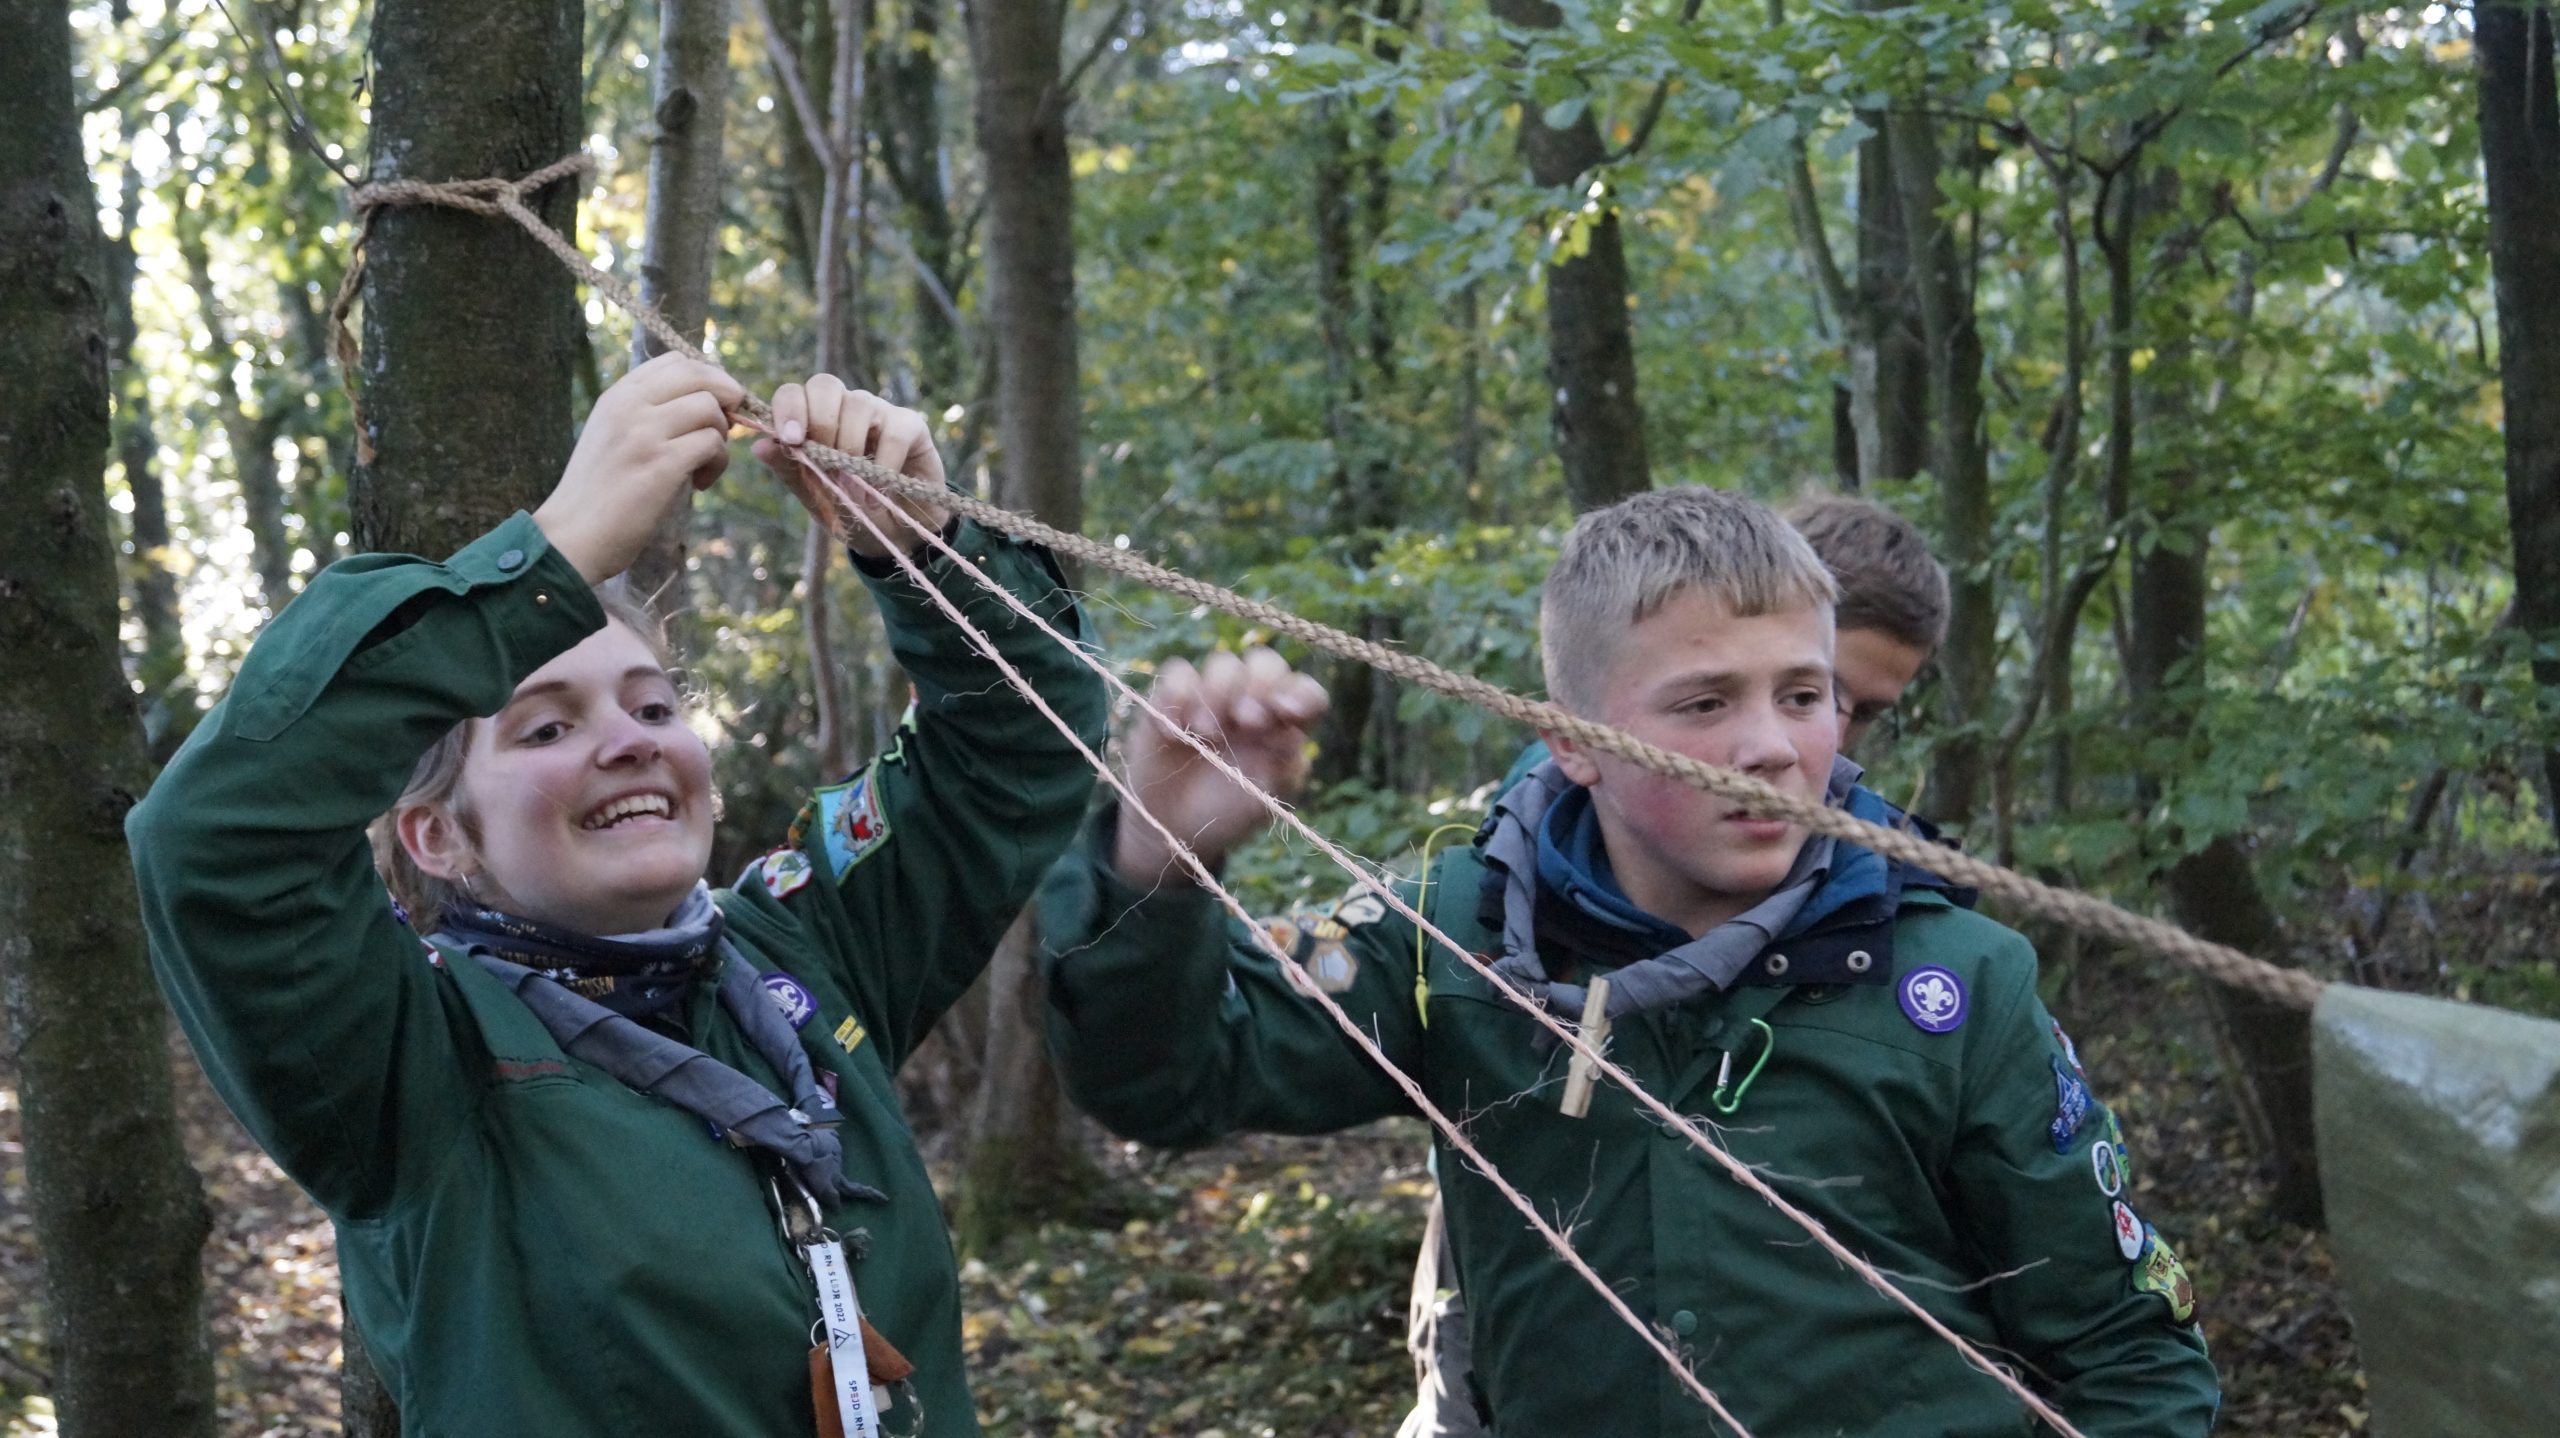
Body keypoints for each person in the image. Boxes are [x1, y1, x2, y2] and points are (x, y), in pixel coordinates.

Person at [1038, 487, 2218, 1435]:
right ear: (1573, 740)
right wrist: (1154, 874)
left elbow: (2128, 1349)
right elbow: (1167, 1081)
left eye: (1806, 697)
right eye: (1703, 703)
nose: (1769, 747)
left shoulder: (1954, 975)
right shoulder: (1447, 935)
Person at [130, 357, 1108, 1436]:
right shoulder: (409, 1062)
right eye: (547, 726)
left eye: (651, 707)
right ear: (439, 834)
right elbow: (211, 842)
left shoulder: (800, 949)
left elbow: (1023, 744)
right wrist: (544, 559)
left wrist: (924, 554)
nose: (626, 747)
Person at [1395, 490, 1954, 1437]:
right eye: (1719, 697)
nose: (1790, 744)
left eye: (1838, 705)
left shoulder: (1889, 894)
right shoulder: (1528, 861)